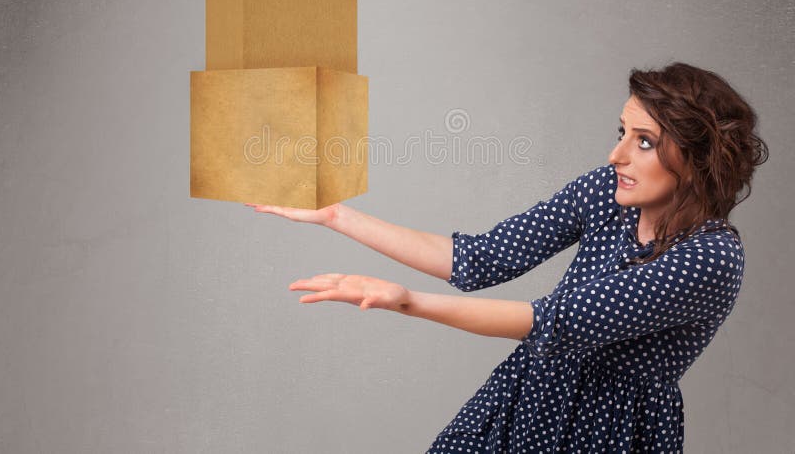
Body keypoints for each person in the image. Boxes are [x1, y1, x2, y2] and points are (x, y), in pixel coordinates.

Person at [244, 61, 768, 453]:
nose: (617, 155)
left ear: (698, 158)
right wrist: (337, 216)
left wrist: (405, 301)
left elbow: (558, 322)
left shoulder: (712, 257)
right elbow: (481, 258)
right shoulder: (608, 192)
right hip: (527, 395)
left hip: (610, 431)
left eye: (645, 142)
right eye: (621, 134)